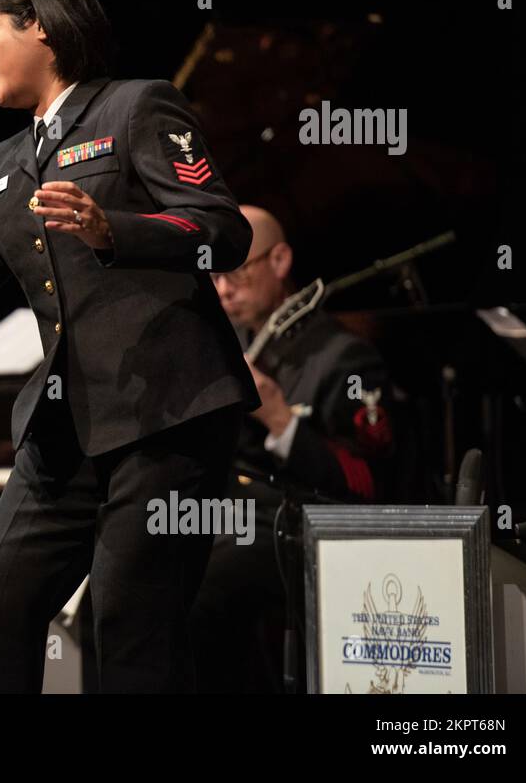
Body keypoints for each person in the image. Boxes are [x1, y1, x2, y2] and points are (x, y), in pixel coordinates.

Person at [0, 0, 259, 692]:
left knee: (129, 637)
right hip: (62, 437)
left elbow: (222, 228)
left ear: (42, 25)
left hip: (164, 419)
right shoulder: (3, 162)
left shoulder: (137, 107)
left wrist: (115, 229)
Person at [187, 205, 394, 692]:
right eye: (212, 275)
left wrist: (278, 413)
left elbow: (366, 485)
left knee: (201, 583)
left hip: (301, 527)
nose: (222, 289)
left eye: (235, 271)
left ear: (279, 261)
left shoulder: (345, 357)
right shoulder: (228, 340)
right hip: (225, 513)